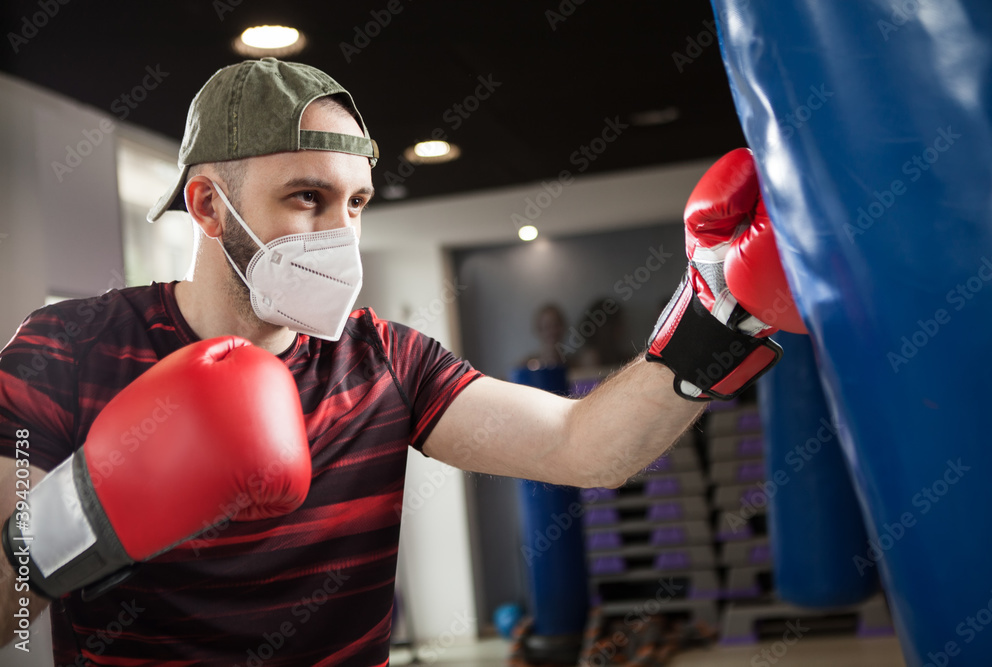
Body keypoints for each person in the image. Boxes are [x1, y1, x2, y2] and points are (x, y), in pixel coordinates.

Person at [0, 58, 803, 666]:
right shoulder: (68, 347)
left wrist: (717, 315)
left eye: (355, 203)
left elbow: (583, 447)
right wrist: (89, 512)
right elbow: (6, 616)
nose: (339, 234)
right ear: (210, 205)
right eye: (307, 198)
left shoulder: (384, 357)